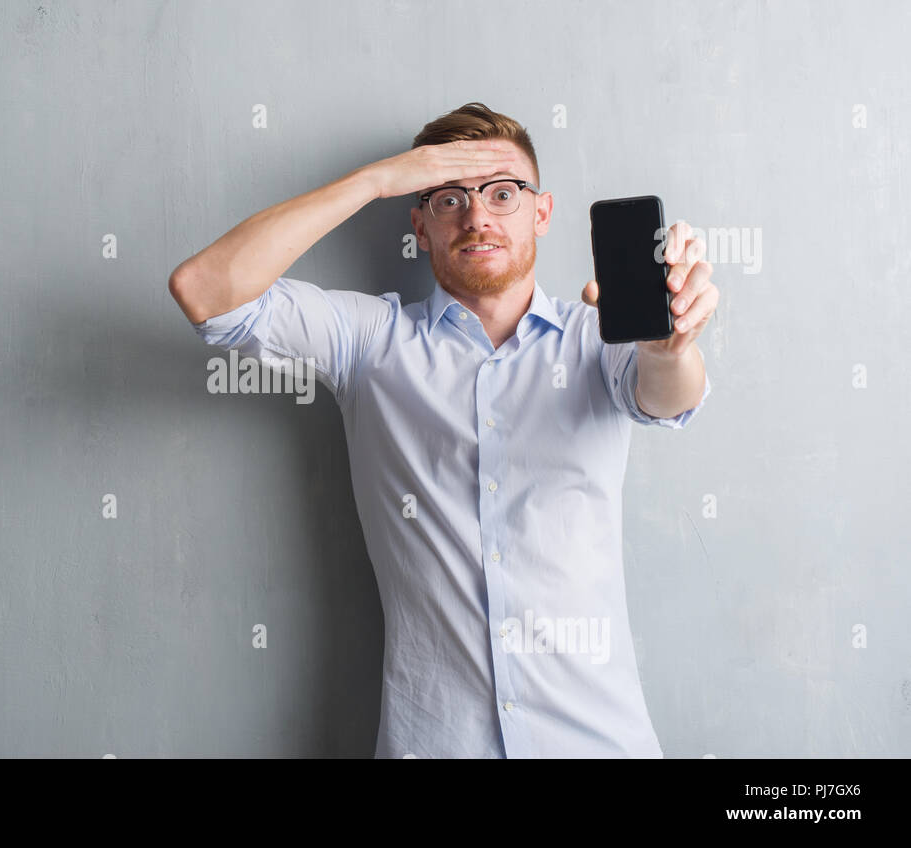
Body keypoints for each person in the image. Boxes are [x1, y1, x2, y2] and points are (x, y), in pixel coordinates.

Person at [168, 102, 718, 758]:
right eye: (449, 197)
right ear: (419, 226)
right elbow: (204, 290)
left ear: (541, 213)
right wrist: (378, 179)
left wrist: (669, 350)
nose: (478, 216)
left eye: (503, 193)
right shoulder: (368, 342)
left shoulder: (597, 337)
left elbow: (664, 397)